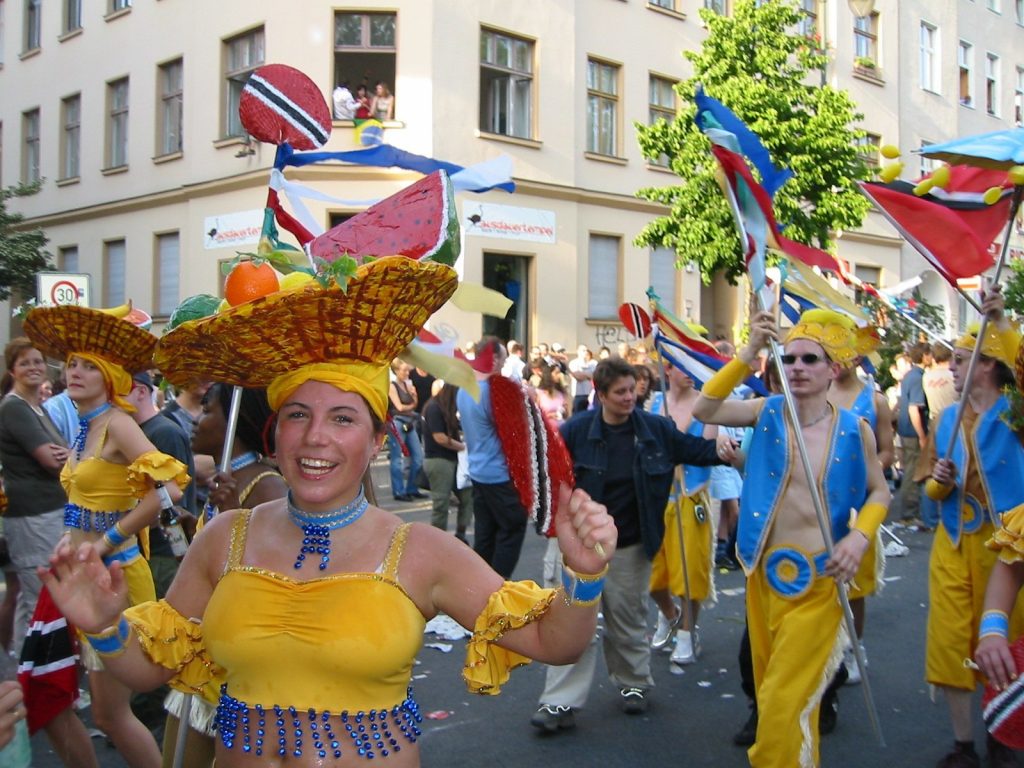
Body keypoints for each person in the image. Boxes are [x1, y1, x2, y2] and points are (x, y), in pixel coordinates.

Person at [41, 256, 617, 768]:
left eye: (343, 418)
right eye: (297, 415)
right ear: (275, 435)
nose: (315, 437)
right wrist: (104, 626)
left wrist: (583, 574)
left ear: (376, 443)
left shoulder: (421, 551)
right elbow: (149, 670)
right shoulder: (224, 537)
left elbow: (552, 641)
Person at [693, 308, 890, 768]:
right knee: (775, 697)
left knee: (783, 701)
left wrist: (859, 538)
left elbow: (880, 492)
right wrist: (746, 355)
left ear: (832, 370)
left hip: (821, 582)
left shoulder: (852, 430)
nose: (797, 366)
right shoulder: (766, 413)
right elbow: (706, 408)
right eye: (790, 358)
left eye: (809, 359)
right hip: (763, 575)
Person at [23, 304, 189, 768]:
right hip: (81, 577)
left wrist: (105, 540)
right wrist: (70, 541)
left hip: (113, 577)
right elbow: (87, 501)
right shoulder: (86, 426)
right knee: (92, 709)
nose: (74, 372)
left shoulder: (118, 423)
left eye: (88, 366)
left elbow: (171, 487)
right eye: (72, 363)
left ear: (111, 375)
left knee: (111, 714)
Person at [530, 357, 724, 732]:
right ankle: (558, 703)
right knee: (572, 625)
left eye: (633, 389)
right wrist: (552, 523)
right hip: (579, 546)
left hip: (631, 545)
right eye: (620, 392)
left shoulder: (656, 430)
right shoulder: (576, 431)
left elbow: (696, 450)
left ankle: (633, 683)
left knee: (628, 620)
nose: (630, 397)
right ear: (600, 394)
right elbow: (549, 478)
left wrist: (726, 452)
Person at [921, 286, 1024, 768]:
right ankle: (963, 745)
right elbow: (929, 491)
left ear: (986, 364)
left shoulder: (1016, 412)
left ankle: (1005, 734)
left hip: (1006, 546)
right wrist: (940, 484)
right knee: (948, 643)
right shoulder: (945, 419)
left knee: (1003, 641)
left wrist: (1001, 322)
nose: (951, 369)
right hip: (952, 541)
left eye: (961, 360)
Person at [163, 382, 287, 768]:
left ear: (238, 420)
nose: (198, 420)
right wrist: (197, 533)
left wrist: (233, 522)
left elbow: (280, 590)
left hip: (236, 679)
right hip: (201, 663)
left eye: (209, 409)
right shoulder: (227, 482)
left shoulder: (268, 488)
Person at [826, 337, 895, 686]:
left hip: (860, 502)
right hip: (822, 501)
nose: (839, 358)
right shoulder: (816, 395)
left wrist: (864, 469)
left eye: (844, 351)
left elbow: (887, 452)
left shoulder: (876, 400)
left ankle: (855, 648)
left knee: (856, 584)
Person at [648, 363, 725, 665]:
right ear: (667, 369)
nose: (688, 372)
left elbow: (706, 449)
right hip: (657, 500)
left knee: (690, 575)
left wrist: (678, 448)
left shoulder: (705, 406)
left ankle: (686, 633)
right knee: (653, 578)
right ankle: (669, 614)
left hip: (690, 499)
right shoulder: (655, 403)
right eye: (680, 366)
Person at [0, 339, 69, 652]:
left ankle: (24, 674)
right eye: (25, 362)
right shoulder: (14, 408)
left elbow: (65, 454)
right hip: (32, 515)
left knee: (36, 598)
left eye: (38, 361)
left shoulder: (36, 407)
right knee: (39, 596)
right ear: (12, 369)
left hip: (48, 511)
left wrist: (68, 455)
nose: (34, 368)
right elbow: (52, 460)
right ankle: (36, 681)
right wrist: (69, 456)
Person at [457, 337, 530, 578]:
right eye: (503, 358)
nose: (505, 364)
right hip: (498, 474)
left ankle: (478, 585)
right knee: (512, 527)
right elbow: (513, 434)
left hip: (479, 471)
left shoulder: (464, 390)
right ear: (494, 359)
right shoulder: (494, 392)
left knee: (486, 534)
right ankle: (497, 586)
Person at [421, 382, 472, 542]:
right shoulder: (434, 408)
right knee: (441, 502)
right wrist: (462, 446)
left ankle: (461, 533)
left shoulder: (444, 407)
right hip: (439, 460)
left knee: (467, 497)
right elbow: (440, 437)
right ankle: (438, 540)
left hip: (451, 459)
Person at [895, 342, 930, 528]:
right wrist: (922, 436)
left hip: (906, 429)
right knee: (913, 471)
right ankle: (909, 513)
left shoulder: (910, 376)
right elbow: (914, 408)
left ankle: (910, 512)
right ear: (924, 355)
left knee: (911, 469)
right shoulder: (917, 377)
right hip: (913, 431)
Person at [388, 360, 426, 502]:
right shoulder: (392, 386)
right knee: (397, 458)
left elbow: (414, 405)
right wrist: (411, 405)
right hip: (397, 423)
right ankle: (399, 490)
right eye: (404, 370)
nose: (407, 373)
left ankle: (412, 487)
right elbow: (399, 407)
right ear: (396, 371)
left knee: (417, 457)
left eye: (407, 370)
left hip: (410, 422)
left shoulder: (407, 384)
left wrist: (414, 396)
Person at [568, 345, 597, 416]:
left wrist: (583, 374)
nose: (585, 352)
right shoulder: (573, 363)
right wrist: (588, 375)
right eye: (583, 350)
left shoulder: (593, 364)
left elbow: (595, 376)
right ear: (578, 352)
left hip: (590, 394)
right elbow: (578, 377)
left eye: (586, 350)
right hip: (578, 394)